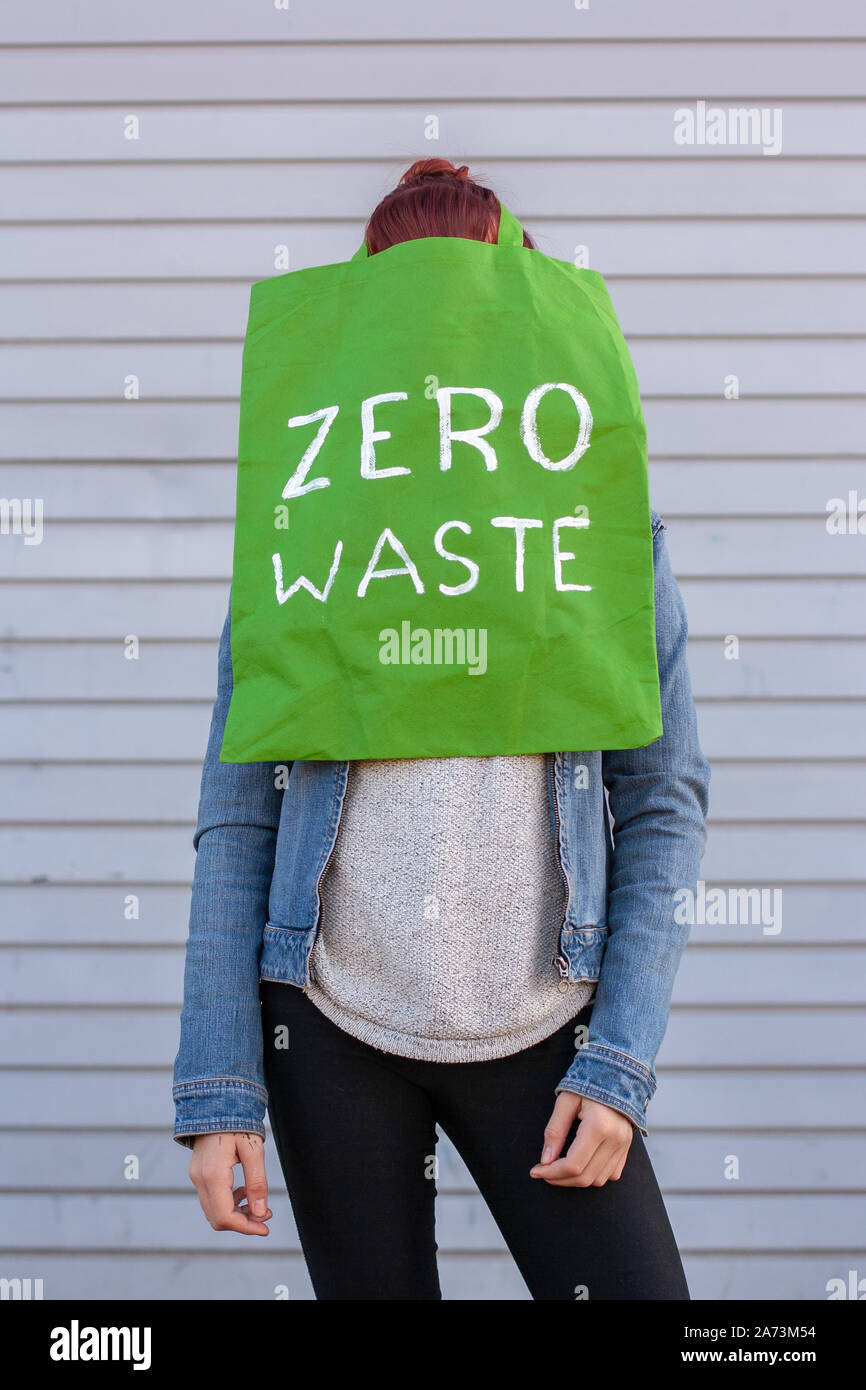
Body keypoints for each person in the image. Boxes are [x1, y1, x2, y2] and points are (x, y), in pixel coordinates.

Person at [172, 158, 711, 1301]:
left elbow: (661, 801)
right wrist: (218, 1089)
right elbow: (234, 815)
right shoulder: (300, 534)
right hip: (326, 1024)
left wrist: (617, 1065)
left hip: (547, 1029)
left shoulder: (601, 531)